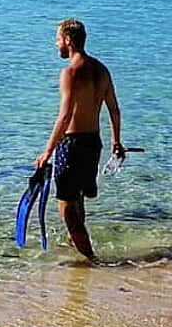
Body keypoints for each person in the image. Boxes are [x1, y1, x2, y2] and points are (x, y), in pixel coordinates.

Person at [34, 18, 123, 262]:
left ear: (68, 40)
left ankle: (92, 259)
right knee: (78, 200)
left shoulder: (70, 73)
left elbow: (65, 117)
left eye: (58, 39)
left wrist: (47, 152)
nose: (55, 44)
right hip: (94, 143)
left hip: (71, 145)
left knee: (66, 209)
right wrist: (117, 142)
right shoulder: (102, 69)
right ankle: (77, 246)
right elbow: (114, 110)